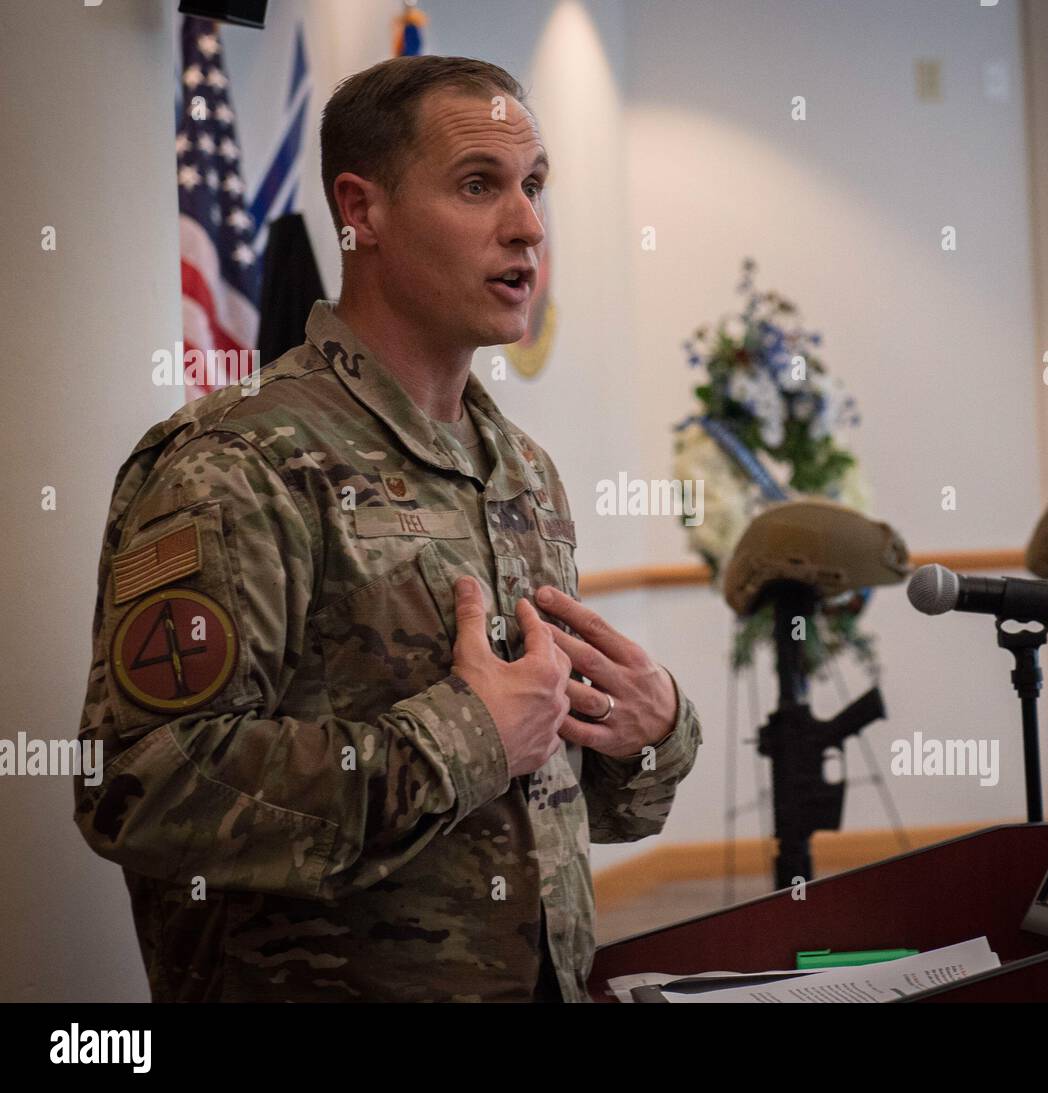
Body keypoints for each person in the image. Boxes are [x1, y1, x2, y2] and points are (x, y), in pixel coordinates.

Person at [73, 55, 702, 1002]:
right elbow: (139, 786)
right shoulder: (238, 461)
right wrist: (464, 733)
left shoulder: (524, 470)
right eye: (479, 185)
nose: (529, 225)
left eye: (534, 187)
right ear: (360, 211)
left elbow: (549, 794)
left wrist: (653, 732)